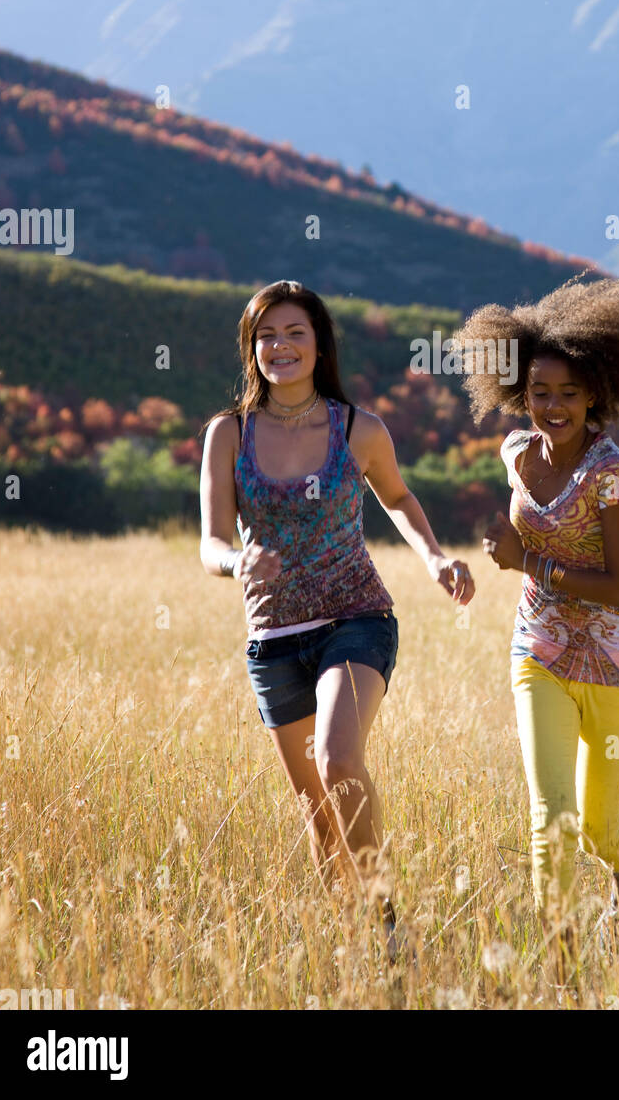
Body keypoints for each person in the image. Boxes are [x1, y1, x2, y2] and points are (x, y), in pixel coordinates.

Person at [199, 279, 474, 951]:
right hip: (272, 639)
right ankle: (356, 947)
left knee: (337, 758)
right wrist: (238, 563)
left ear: (319, 345)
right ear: (251, 348)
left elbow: (399, 499)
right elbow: (209, 543)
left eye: (295, 332)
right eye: (266, 335)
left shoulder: (358, 428)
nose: (280, 346)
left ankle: (385, 920)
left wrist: (434, 557)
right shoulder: (226, 434)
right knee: (318, 815)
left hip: (356, 619)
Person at [459, 275, 619, 975]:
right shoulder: (515, 454)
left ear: (595, 397)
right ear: (520, 394)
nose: (553, 407)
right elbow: (514, 527)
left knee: (598, 825)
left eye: (569, 394)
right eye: (540, 392)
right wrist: (500, 545)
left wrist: (527, 564)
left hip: (613, 664)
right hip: (538, 653)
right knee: (551, 820)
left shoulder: (612, 475)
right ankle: (563, 964)